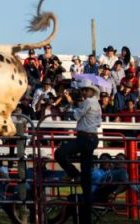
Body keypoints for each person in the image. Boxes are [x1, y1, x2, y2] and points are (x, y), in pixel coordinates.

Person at [53, 79, 102, 224]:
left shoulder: (88, 102)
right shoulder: (96, 103)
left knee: (60, 153)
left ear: (90, 91)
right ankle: (86, 218)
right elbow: (98, 122)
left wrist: (71, 104)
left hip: (84, 138)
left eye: (85, 90)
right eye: (83, 90)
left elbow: (75, 115)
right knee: (86, 178)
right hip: (91, 138)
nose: (83, 92)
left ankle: (74, 173)